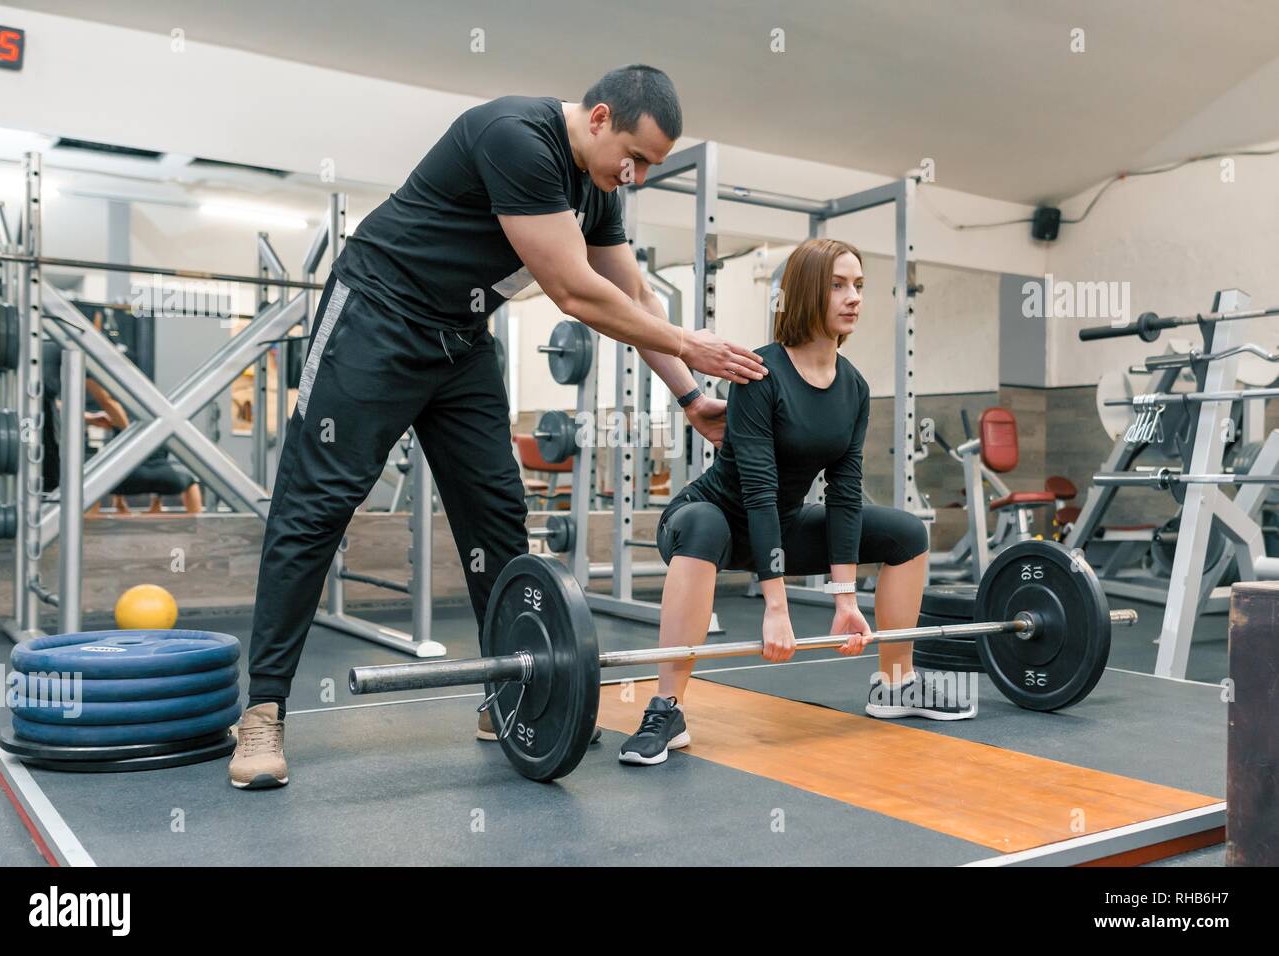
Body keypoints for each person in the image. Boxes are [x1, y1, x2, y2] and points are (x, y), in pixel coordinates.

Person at [230, 64, 767, 789]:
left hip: (459, 341)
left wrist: (690, 397)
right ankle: (263, 711)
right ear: (599, 118)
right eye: (634, 158)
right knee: (316, 506)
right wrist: (690, 345)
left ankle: (507, 694)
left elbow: (632, 294)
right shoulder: (517, 136)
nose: (636, 177)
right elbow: (574, 292)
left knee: (497, 513)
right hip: (377, 318)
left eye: (650, 167)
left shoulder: (599, 188)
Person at [619, 238, 974, 767]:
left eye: (859, 285)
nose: (854, 297)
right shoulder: (759, 372)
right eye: (838, 285)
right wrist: (777, 608)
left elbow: (844, 494)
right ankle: (667, 708)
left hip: (781, 525)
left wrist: (846, 601)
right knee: (705, 527)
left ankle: (897, 682)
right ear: (806, 292)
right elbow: (758, 489)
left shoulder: (854, 388)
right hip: (709, 518)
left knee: (906, 534)